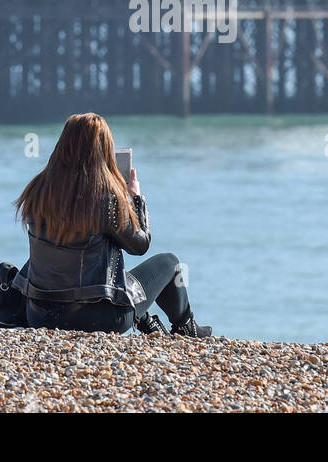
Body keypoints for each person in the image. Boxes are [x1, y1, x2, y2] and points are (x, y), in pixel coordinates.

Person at [12, 112, 211, 337]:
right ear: (104, 152)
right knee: (170, 263)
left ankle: (150, 326)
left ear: (62, 146)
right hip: (98, 317)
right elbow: (140, 245)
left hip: (39, 315)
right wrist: (135, 199)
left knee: (109, 272)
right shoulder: (105, 199)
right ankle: (186, 326)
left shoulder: (37, 190)